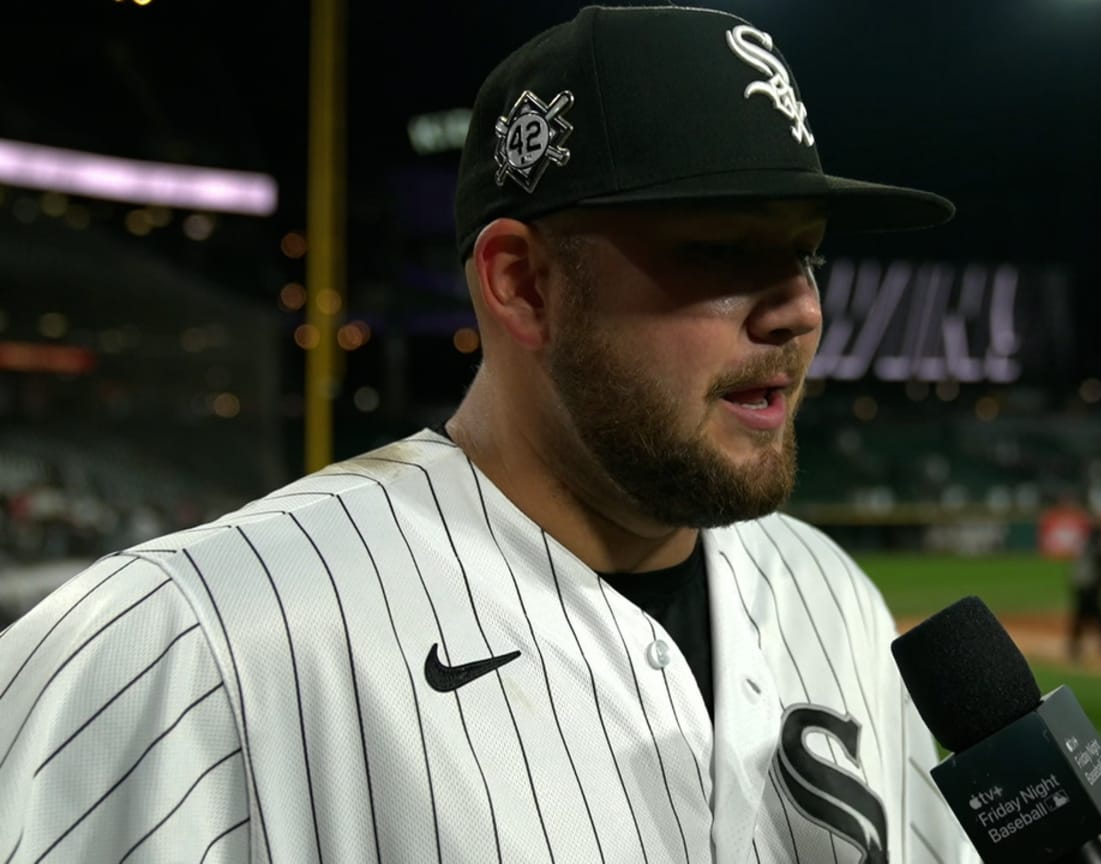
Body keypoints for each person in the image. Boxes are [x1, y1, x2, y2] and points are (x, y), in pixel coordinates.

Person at [0, 6, 978, 863]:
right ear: (522, 284)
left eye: (803, 254)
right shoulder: (194, 641)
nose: (796, 312)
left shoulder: (834, 598)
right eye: (720, 249)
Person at [1067, 509, 1101, 663]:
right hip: (1088, 582)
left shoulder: (1091, 537)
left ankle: (1075, 647)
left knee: (1083, 615)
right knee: (1095, 615)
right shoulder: (1096, 538)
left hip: (1082, 581)